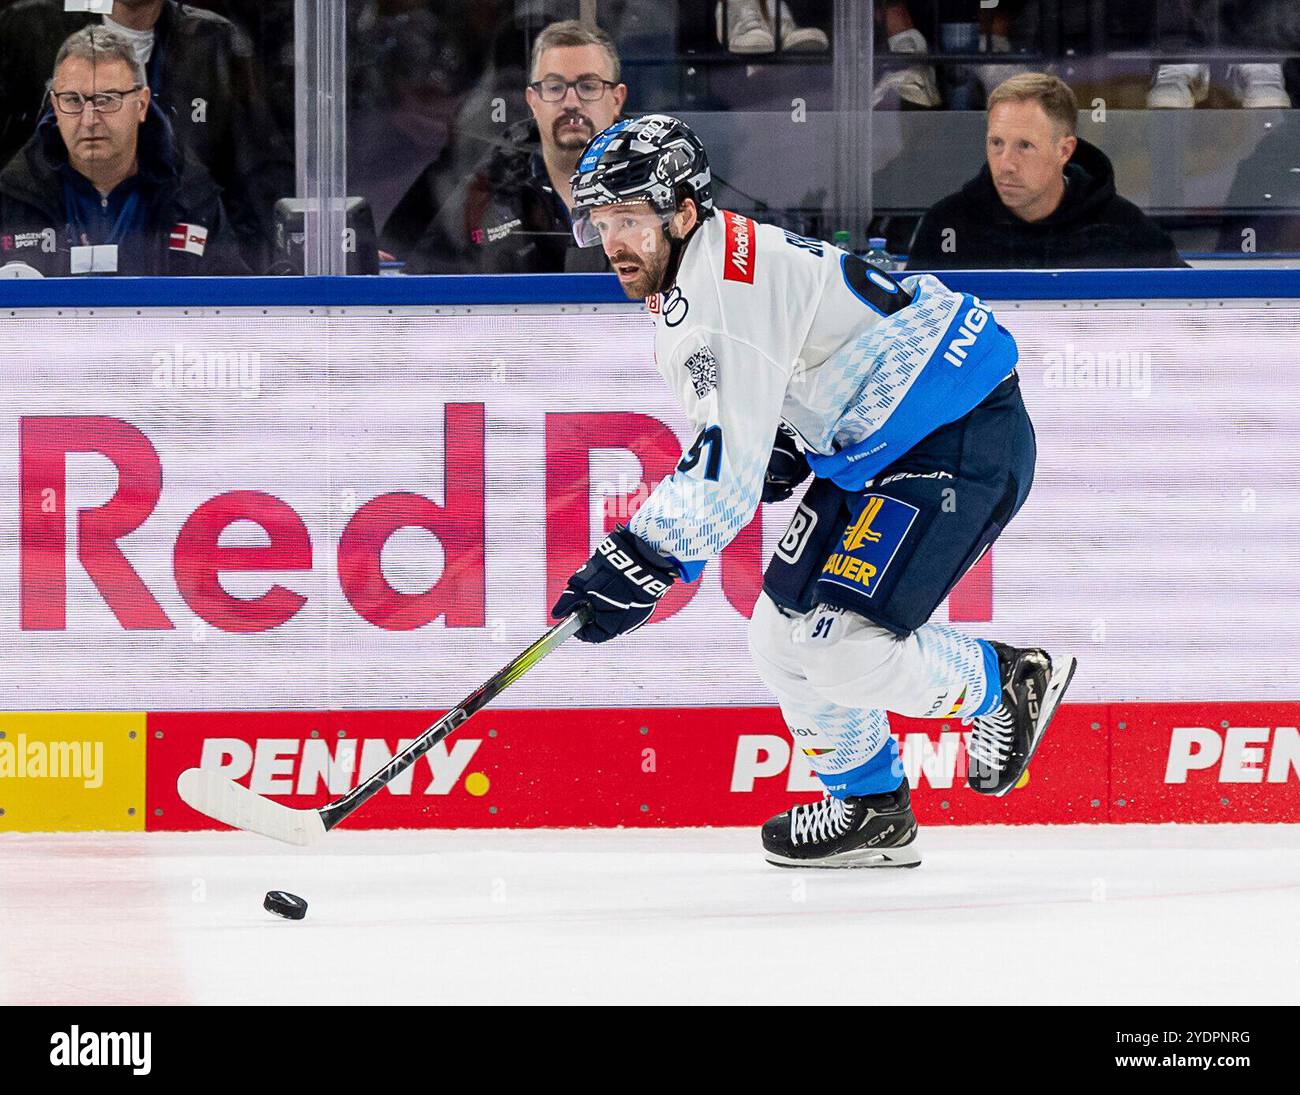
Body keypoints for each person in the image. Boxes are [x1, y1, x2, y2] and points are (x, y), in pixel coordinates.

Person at [551, 114, 1077, 869]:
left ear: (684, 210)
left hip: (959, 435)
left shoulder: (712, 298)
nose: (615, 243)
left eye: (631, 219)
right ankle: (870, 808)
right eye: (603, 222)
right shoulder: (715, 259)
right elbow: (797, 366)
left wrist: (641, 555)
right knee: (778, 631)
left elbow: (726, 470)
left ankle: (1006, 682)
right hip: (877, 444)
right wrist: (783, 440)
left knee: (843, 651)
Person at [0, 0, 293, 272]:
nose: (90, 119)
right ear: (55, 103)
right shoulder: (33, 28)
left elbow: (258, 185)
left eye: (108, 99)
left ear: (141, 104)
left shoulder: (213, 42)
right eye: (74, 100)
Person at [383, 19, 627, 274]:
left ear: (617, 99)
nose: (571, 102)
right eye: (554, 87)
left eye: (588, 87)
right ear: (533, 101)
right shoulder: (490, 184)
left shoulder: (663, 178)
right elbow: (423, 283)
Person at [907, 74, 1185, 269]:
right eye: (996, 143)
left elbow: (1193, 318)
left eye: (1025, 146)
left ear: (1064, 150)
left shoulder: (1125, 229)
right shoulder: (946, 225)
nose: (1006, 164)